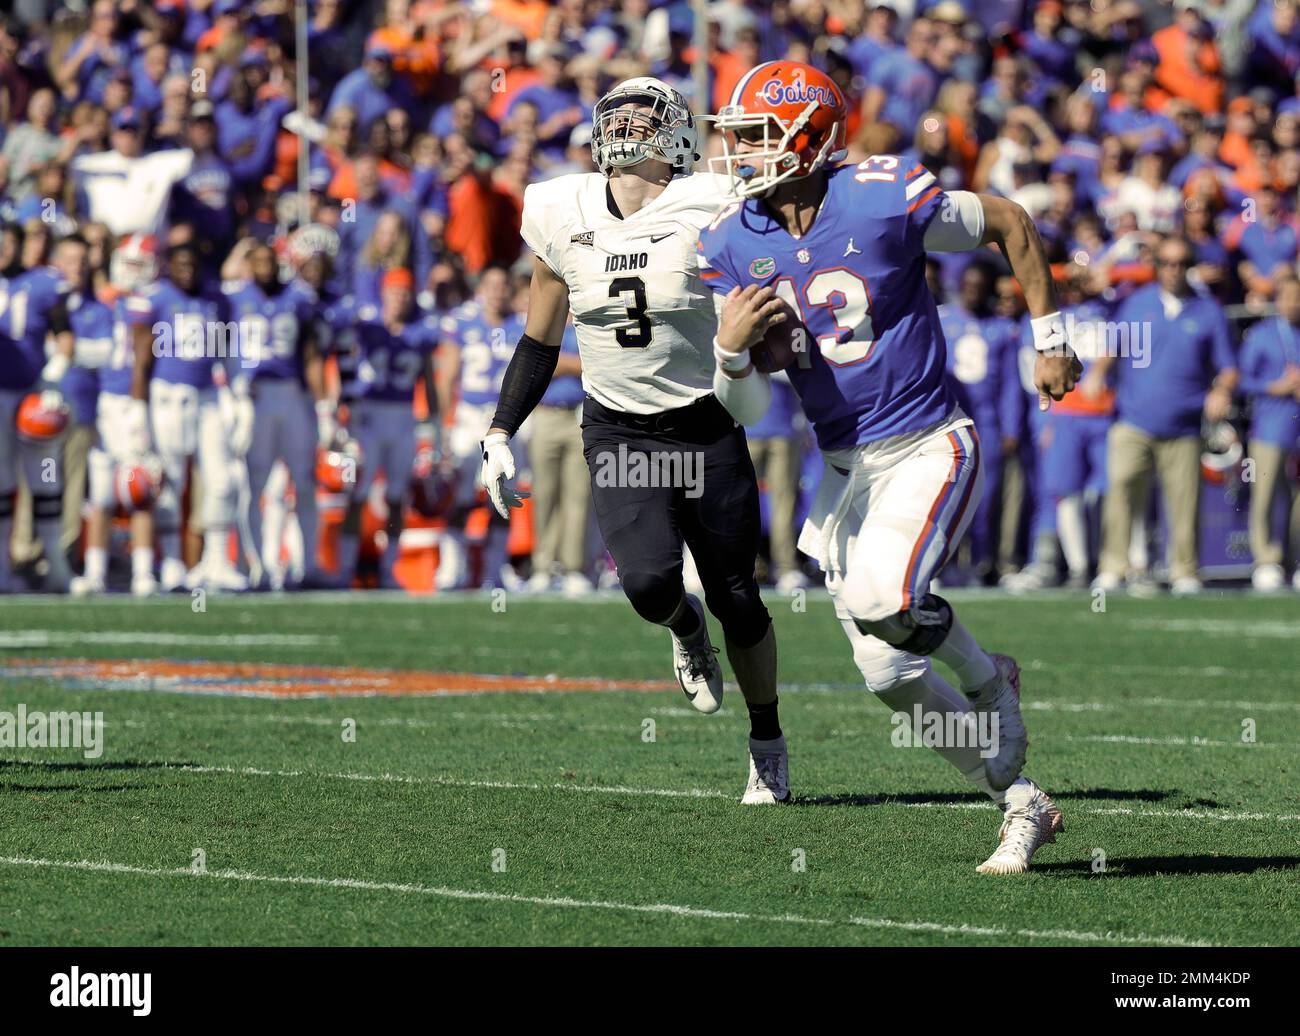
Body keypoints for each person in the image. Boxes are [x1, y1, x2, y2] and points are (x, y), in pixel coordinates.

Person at [700, 61, 1081, 873]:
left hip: (925, 441)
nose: (740, 151)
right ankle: (1022, 804)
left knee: (883, 600)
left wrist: (1051, 338)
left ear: (810, 135)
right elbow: (753, 412)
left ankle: (987, 677)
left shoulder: (880, 195)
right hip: (840, 469)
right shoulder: (732, 239)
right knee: (887, 676)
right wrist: (732, 356)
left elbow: (1011, 221)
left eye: (758, 136)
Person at [479, 78, 782, 805]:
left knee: (740, 597)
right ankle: (685, 629)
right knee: (649, 585)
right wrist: (497, 430)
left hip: (707, 422)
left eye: (644, 117)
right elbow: (539, 338)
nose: (627, 127)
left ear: (676, 135)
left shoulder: (713, 204)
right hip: (619, 426)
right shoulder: (562, 208)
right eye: (616, 116)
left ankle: (767, 739)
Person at [1093, 235, 1239, 595]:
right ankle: (1113, 566)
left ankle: (1185, 570)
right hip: (1133, 420)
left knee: (1184, 503)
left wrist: (1221, 390)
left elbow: (1229, 366)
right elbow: (1112, 347)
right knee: (1121, 493)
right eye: (1167, 263)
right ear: (1156, 267)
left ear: (1191, 267)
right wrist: (1097, 373)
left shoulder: (1208, 311)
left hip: (1184, 424)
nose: (1174, 270)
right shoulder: (1134, 304)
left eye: (1182, 263)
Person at [129, 243, 245, 591]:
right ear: (168, 266)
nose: (188, 271)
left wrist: (236, 397)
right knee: (170, 482)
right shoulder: (155, 298)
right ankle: (173, 562)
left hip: (208, 396)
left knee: (223, 479)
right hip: (168, 396)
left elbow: (226, 353)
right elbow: (141, 361)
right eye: (181, 264)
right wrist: (139, 408)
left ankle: (217, 560)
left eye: (193, 264)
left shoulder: (215, 300)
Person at [224, 243, 331, 590]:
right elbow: (224, 350)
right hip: (253, 397)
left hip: (291, 392)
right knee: (256, 483)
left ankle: (306, 564)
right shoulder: (234, 297)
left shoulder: (298, 298)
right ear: (248, 265)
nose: (265, 267)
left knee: (303, 481)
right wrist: (233, 393)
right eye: (257, 260)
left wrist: (323, 405)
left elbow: (312, 352)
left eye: (270, 260)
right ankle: (258, 565)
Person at [1239, 275, 1300, 591]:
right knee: (1264, 496)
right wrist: (1272, 387)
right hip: (1270, 427)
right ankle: (1265, 560)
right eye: (1288, 297)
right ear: (1278, 300)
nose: (1294, 303)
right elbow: (1241, 380)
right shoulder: (1262, 335)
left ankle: (1295, 560)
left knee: (1296, 501)